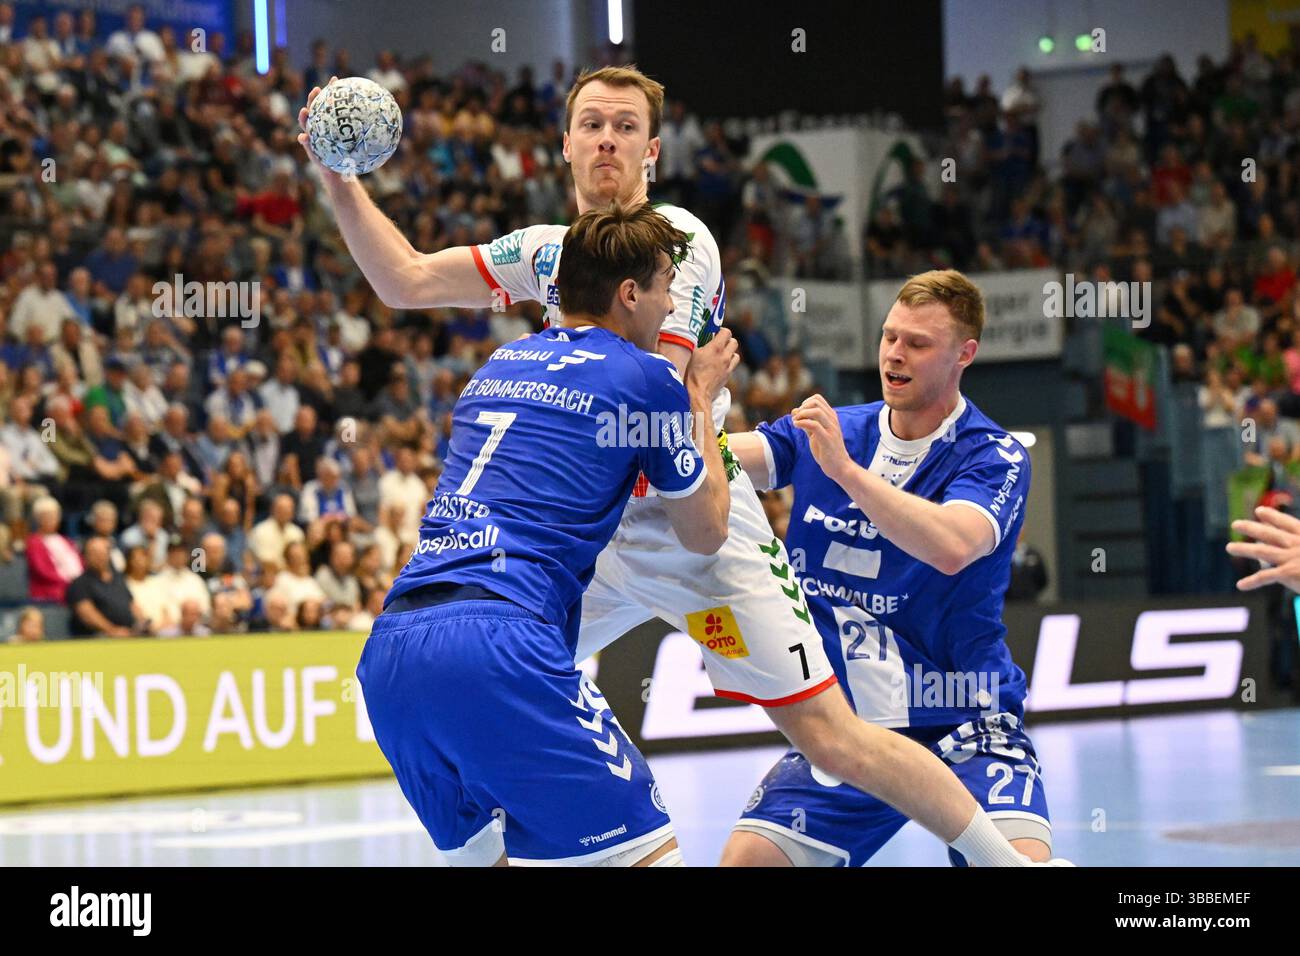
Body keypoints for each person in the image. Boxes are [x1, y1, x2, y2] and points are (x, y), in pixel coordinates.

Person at [303, 67, 1059, 868]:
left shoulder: (677, 241)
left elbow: (662, 406)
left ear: (652, 152)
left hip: (692, 509)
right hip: (586, 537)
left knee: (833, 739)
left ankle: (1003, 863)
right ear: (562, 146)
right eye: (590, 124)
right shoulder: (546, 252)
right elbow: (404, 278)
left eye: (625, 127)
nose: (605, 139)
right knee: (505, 680)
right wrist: (338, 177)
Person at [359, 203, 730, 866]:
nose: (673, 304)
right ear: (629, 294)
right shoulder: (649, 378)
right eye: (666, 288)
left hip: (393, 653)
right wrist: (698, 392)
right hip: (501, 641)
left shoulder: (500, 362)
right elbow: (705, 533)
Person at [721, 270, 1054, 866]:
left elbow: (953, 545)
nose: (895, 354)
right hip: (852, 735)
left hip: (967, 722)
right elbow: (720, 463)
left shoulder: (993, 455)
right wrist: (675, 416)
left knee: (1020, 865)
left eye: (918, 344)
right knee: (749, 861)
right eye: (889, 336)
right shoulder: (834, 429)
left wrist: (847, 473)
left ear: (964, 355)